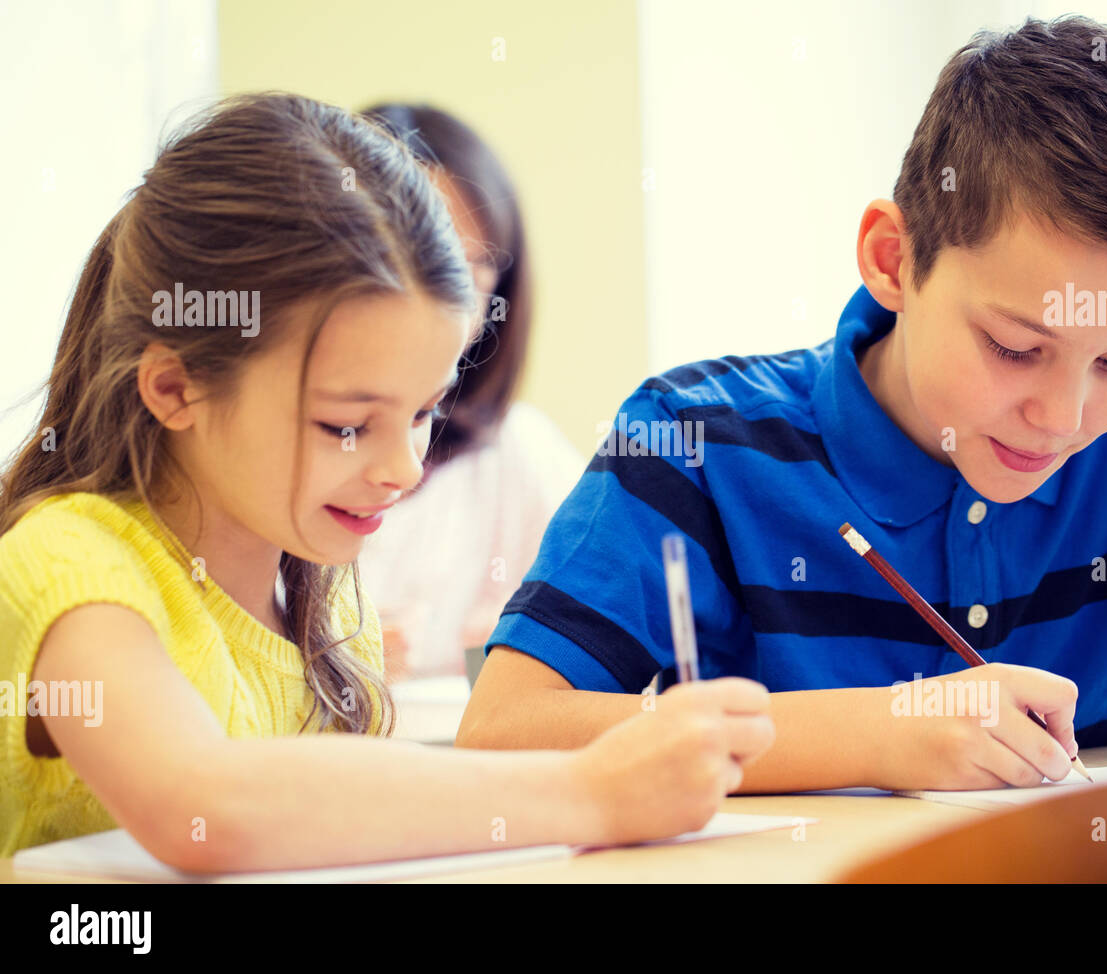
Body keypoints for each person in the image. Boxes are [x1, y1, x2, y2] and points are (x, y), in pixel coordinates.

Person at [458, 16, 1107, 794]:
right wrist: (874, 732)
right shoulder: (695, 442)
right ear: (892, 260)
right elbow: (502, 737)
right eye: (1013, 348)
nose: (1064, 417)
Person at [0, 92, 773, 867]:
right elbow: (206, 808)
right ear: (175, 389)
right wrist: (592, 790)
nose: (404, 469)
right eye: (345, 425)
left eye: (424, 413)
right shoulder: (71, 565)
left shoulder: (329, 598)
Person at [355, 103, 583, 681]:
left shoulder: (521, 452)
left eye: (473, 266)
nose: (441, 293)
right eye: (417, 253)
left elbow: (601, 632)